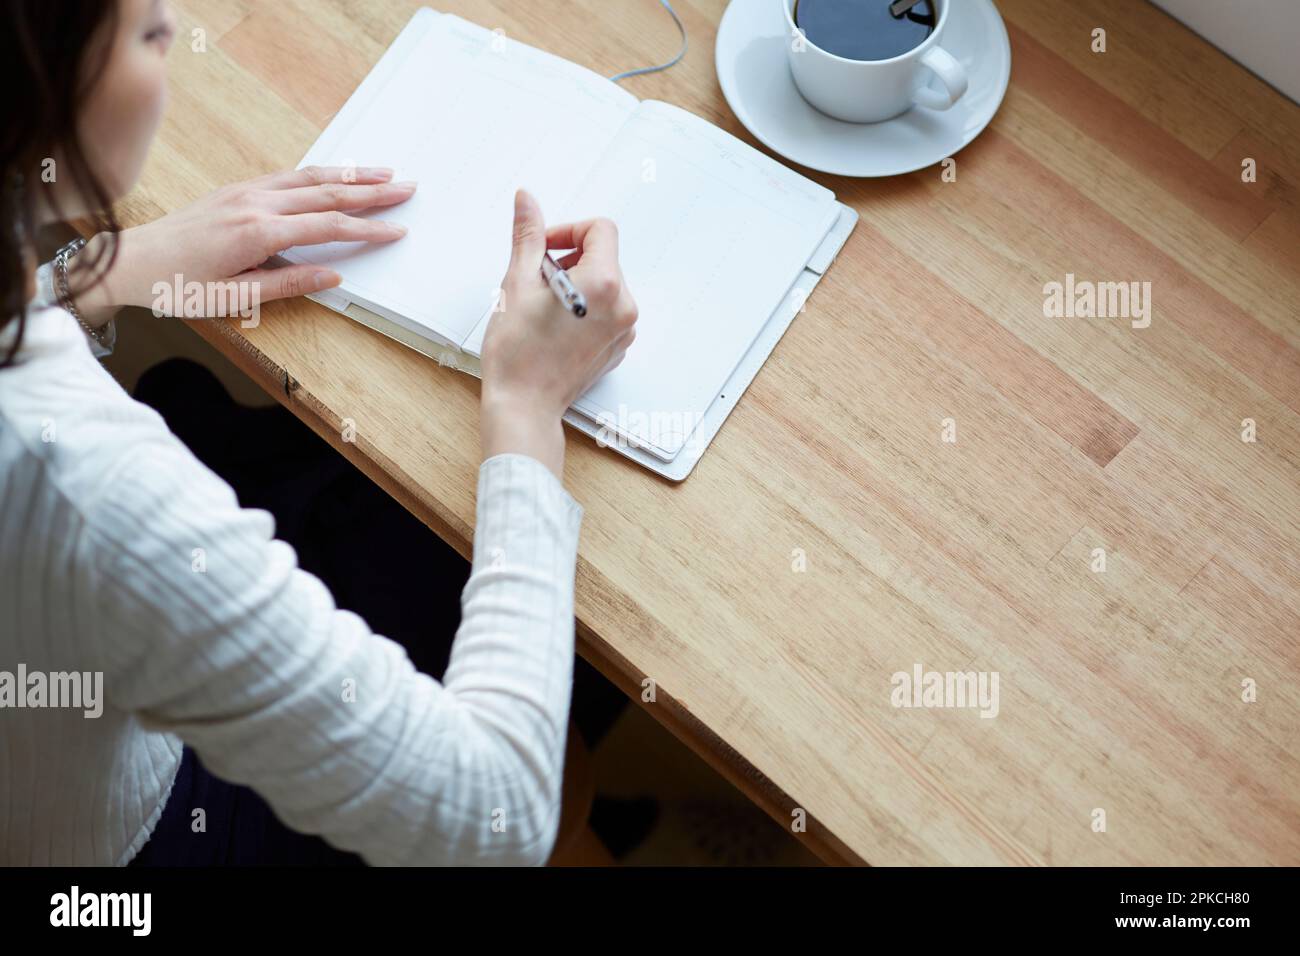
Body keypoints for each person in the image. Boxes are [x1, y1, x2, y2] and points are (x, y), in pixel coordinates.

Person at [0, 0, 638, 865]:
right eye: (148, 27)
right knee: (575, 613)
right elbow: (496, 815)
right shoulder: (84, 484)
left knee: (211, 409)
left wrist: (92, 278)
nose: (174, 17)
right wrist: (525, 405)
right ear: (42, 82)